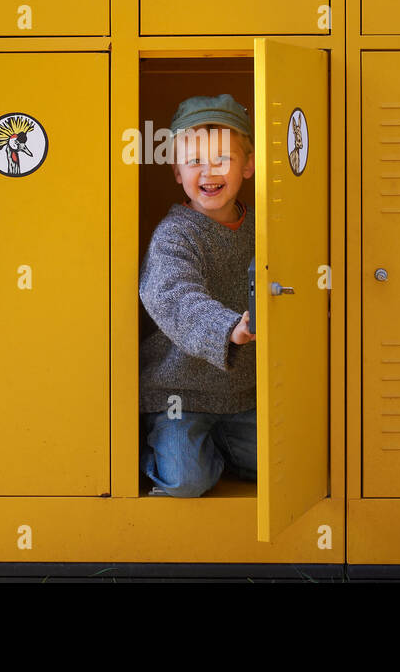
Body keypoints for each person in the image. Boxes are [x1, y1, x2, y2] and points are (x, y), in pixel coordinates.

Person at [138, 93, 257, 497]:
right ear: (176, 171)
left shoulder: (266, 231)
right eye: (194, 161)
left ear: (249, 164)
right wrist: (227, 328)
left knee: (287, 466)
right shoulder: (175, 235)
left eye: (222, 158)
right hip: (181, 397)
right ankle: (153, 448)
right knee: (187, 479)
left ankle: (218, 449)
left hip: (246, 396)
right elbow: (172, 295)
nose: (208, 170)